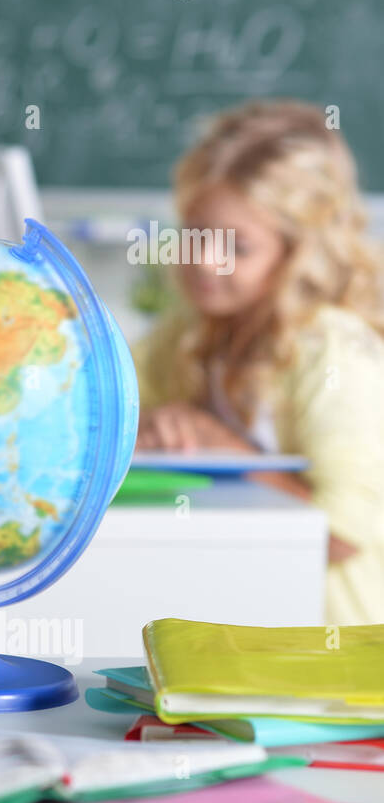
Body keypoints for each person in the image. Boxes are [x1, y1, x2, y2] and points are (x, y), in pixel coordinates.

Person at [134, 100, 384, 625]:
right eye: (197, 235)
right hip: (229, 632)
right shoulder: (186, 335)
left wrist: (220, 448)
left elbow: (342, 535)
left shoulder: (333, 349)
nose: (205, 261)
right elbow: (114, 425)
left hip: (330, 655)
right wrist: (146, 430)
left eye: (239, 247)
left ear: (295, 253)